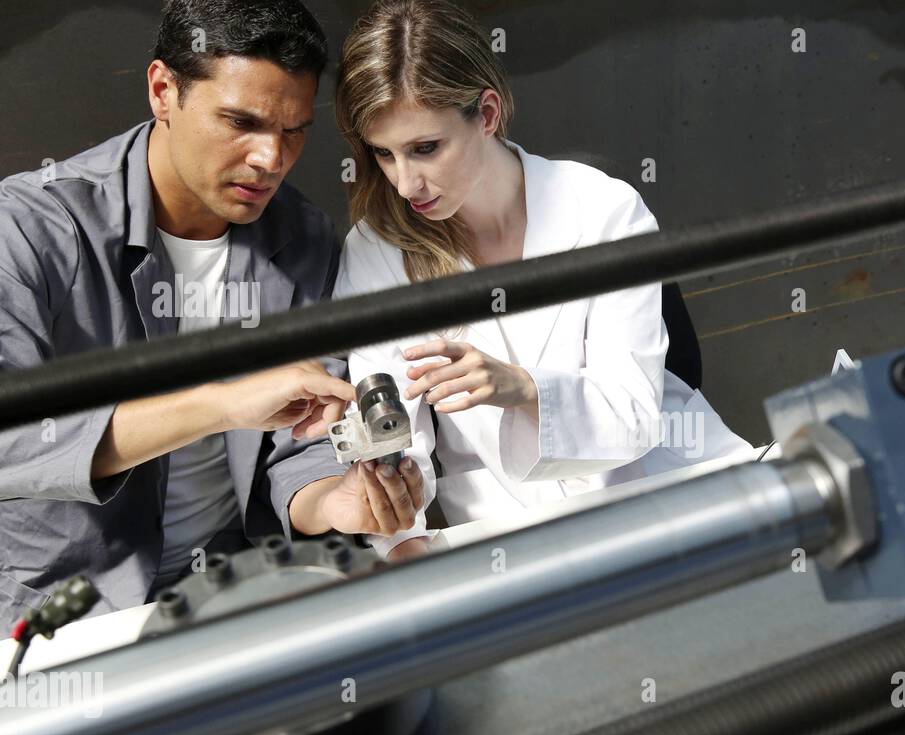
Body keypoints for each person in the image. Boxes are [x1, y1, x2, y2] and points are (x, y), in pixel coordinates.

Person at [0, 0, 424, 626]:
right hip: (68, 609)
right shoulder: (29, 227)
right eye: (241, 122)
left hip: (240, 586)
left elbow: (297, 448)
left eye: (294, 130)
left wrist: (336, 500)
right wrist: (223, 404)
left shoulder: (304, 238)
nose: (270, 159)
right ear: (163, 90)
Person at [335, 0, 755, 562]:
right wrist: (397, 510)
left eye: (426, 148)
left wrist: (522, 387)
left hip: (665, 494)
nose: (406, 181)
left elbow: (631, 419)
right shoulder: (376, 250)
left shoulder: (604, 210)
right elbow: (391, 429)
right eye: (382, 154)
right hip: (509, 539)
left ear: (486, 114)